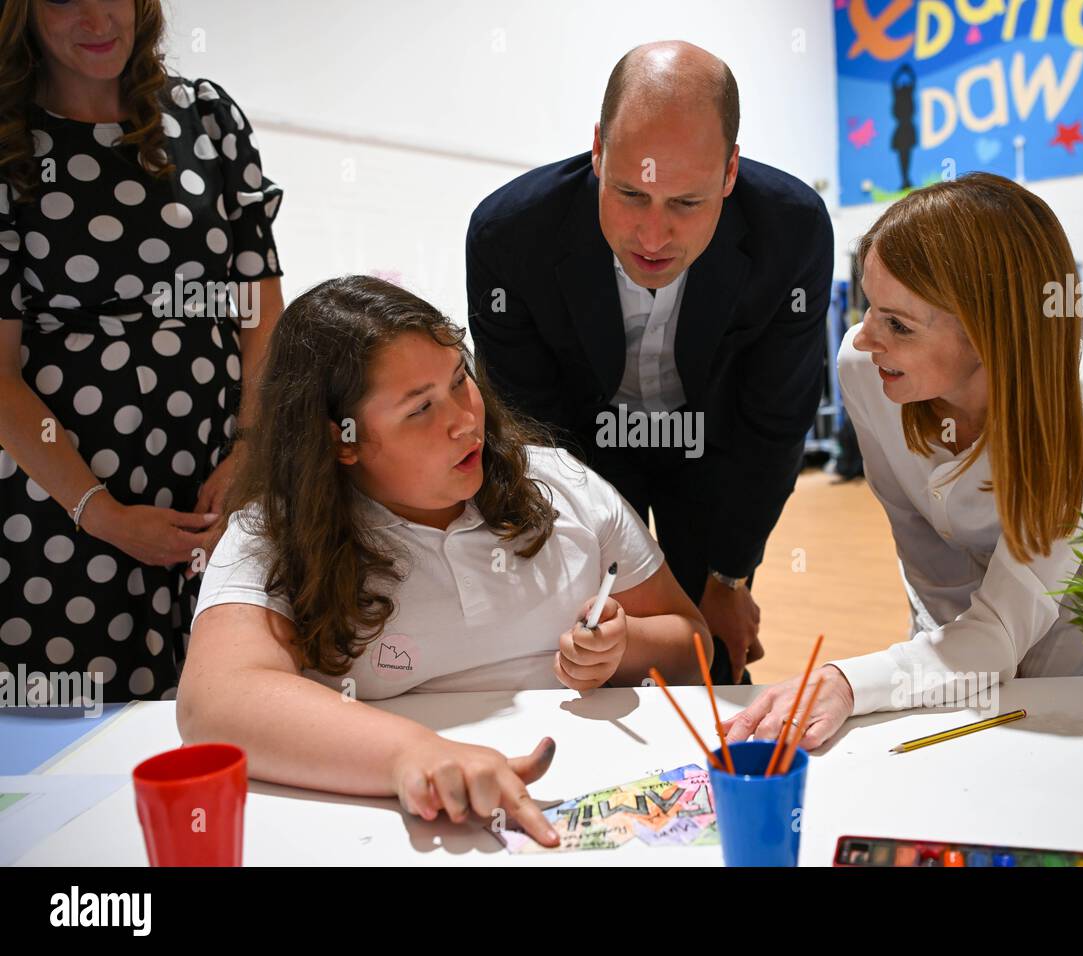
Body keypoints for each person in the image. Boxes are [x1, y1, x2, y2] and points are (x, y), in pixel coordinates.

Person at [178, 276, 708, 840]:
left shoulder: (561, 482)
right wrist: (415, 754)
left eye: (460, 380)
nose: (464, 419)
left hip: (588, 800)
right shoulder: (275, 530)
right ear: (343, 441)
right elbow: (215, 703)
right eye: (420, 408)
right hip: (394, 830)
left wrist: (626, 647)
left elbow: (693, 646)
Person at [466, 40, 834, 684]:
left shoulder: (791, 231)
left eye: (687, 203)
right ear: (598, 152)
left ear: (729, 174)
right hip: (580, 447)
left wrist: (730, 576)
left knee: (712, 655)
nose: (653, 236)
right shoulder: (509, 236)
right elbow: (530, 430)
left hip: (714, 449)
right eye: (631, 194)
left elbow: (774, 420)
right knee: (590, 642)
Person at [724, 173, 1083, 748]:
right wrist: (929, 664)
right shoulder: (866, 371)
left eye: (897, 324)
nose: (863, 338)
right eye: (869, 308)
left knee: (1050, 748)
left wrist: (847, 680)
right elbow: (922, 546)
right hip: (951, 613)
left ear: (990, 333)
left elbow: (1003, 630)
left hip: (1064, 605)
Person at [0, 0, 285, 701]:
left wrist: (250, 449)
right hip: (61, 515)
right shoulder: (9, 145)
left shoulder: (209, 119)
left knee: (226, 716)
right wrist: (101, 513)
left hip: (216, 499)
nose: (98, 18)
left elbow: (260, 311)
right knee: (72, 752)